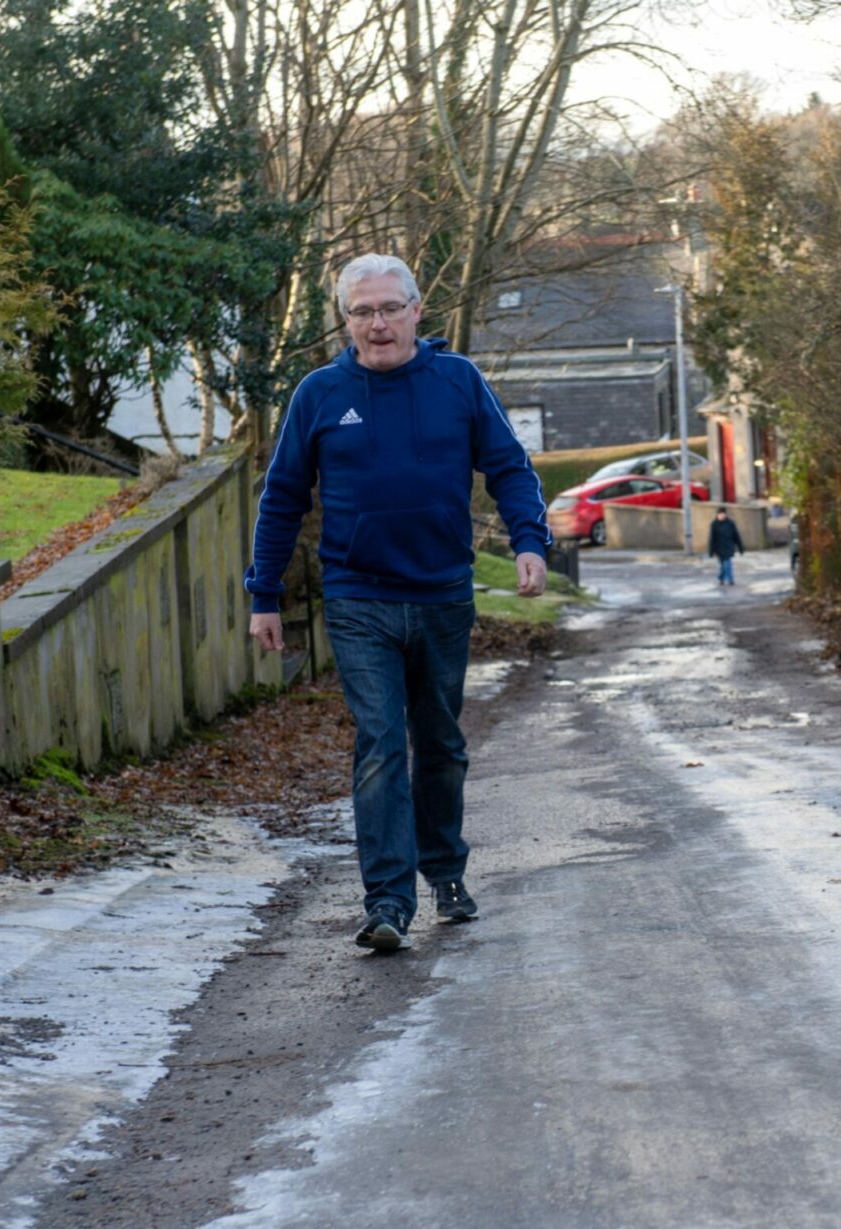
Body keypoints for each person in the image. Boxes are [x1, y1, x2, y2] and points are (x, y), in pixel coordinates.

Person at [245, 253, 550, 953]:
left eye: (389, 309)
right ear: (344, 320)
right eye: (362, 311)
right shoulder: (320, 394)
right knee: (381, 743)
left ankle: (445, 871)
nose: (377, 324)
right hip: (358, 596)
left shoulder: (458, 381)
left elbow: (509, 466)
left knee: (439, 742)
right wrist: (265, 593)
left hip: (443, 592)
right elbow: (283, 497)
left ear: (416, 311)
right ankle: (387, 900)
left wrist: (529, 542)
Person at [708, 507, 744, 586]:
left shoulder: (730, 523)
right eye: (719, 514)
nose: (721, 516)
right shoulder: (714, 524)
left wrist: (740, 548)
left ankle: (730, 579)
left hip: (728, 547)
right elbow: (712, 538)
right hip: (719, 548)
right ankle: (721, 578)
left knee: (727, 564)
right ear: (717, 515)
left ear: (725, 515)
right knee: (722, 566)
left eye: (722, 514)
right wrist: (711, 551)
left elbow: (736, 536)